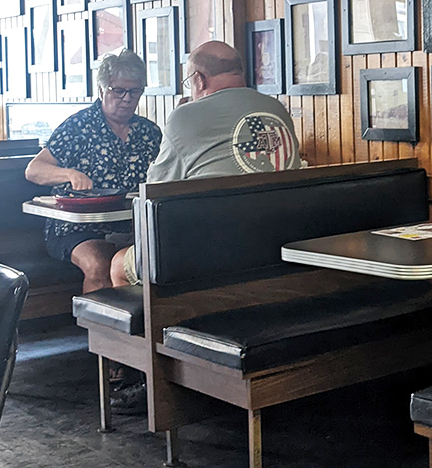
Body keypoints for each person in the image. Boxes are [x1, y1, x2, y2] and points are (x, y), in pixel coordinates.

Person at [110, 40, 301, 289]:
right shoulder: (276, 108)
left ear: (199, 79)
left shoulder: (186, 116)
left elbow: (155, 190)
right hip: (279, 240)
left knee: (117, 264)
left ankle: (155, 327)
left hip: (210, 248)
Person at [25, 49, 161, 294]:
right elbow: (34, 170)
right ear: (102, 90)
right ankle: (100, 331)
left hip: (132, 227)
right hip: (77, 229)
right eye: (118, 91)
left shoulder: (149, 133)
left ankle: (140, 329)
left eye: (134, 91)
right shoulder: (78, 127)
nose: (127, 99)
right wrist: (69, 174)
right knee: (100, 264)